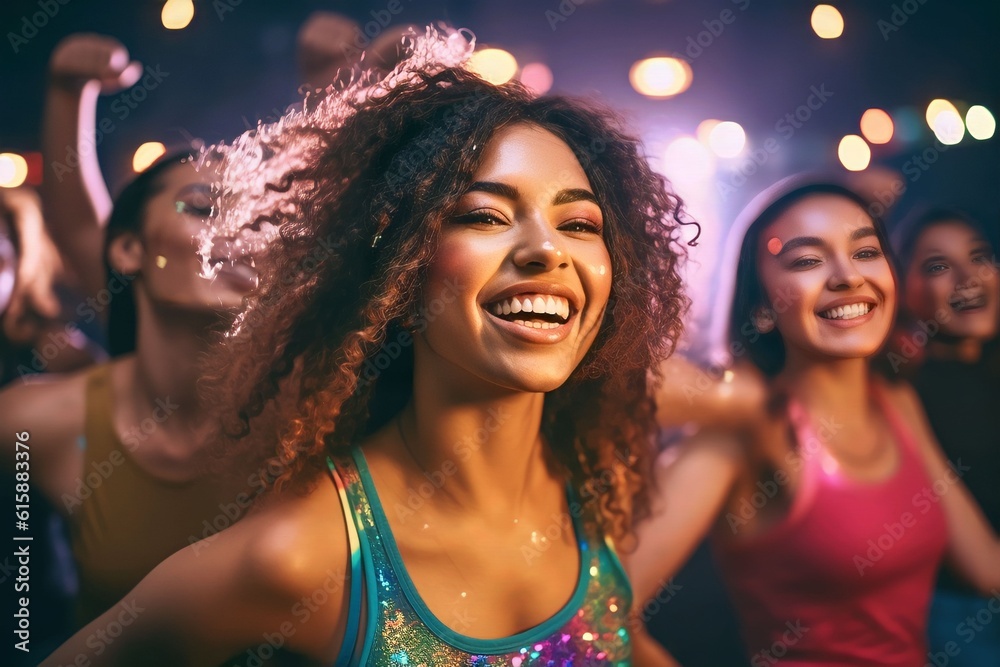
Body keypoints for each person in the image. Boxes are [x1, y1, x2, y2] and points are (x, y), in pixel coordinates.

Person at [40, 27, 692, 666]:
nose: (546, 249)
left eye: (578, 223)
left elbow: (618, 638)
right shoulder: (303, 558)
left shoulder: (588, 482)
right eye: (482, 215)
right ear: (397, 268)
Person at [627, 178, 1000, 666]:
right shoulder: (745, 434)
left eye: (866, 252)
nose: (848, 277)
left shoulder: (896, 400)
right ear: (761, 306)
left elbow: (987, 567)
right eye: (807, 261)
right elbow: (605, 609)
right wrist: (731, 396)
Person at [0, 153, 257, 629]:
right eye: (203, 208)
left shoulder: (320, 410)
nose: (243, 229)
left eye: (263, 217)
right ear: (127, 250)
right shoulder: (30, 422)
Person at [893, 208, 1000, 664]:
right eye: (938, 265)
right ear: (903, 288)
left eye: (980, 257)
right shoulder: (902, 392)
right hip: (958, 615)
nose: (967, 277)